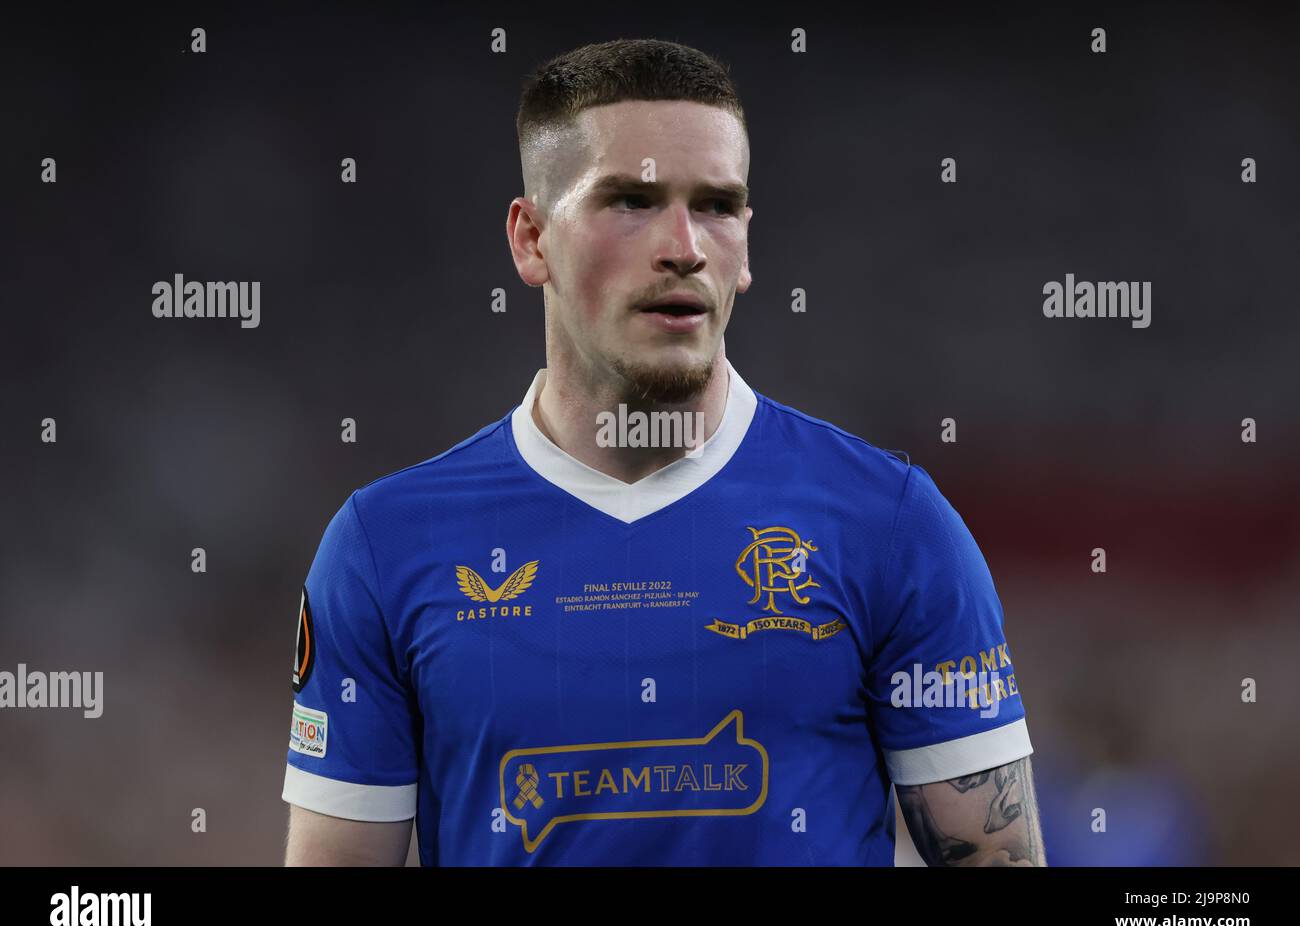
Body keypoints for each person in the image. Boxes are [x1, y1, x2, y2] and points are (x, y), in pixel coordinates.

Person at [282, 37, 1045, 866]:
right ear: (531, 239)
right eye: (632, 201)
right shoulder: (383, 549)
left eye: (716, 205)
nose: (684, 244)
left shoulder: (892, 525)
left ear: (746, 243)